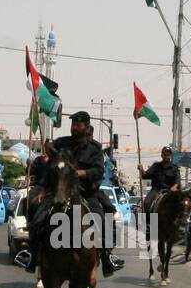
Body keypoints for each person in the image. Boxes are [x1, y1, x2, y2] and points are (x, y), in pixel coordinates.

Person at [23, 110, 122, 276]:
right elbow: (51, 157)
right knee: (37, 213)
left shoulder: (95, 149)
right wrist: (47, 155)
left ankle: (106, 256)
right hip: (60, 191)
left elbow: (98, 171)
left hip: (86, 193)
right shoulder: (62, 144)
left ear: (86, 127)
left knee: (106, 215)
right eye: (73, 125)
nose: (74, 128)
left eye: (78, 125)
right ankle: (32, 255)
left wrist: (80, 173)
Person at [139, 147, 181, 236]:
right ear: (162, 155)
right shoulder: (156, 166)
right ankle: (148, 225)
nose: (166, 156)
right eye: (165, 154)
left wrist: (174, 186)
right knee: (146, 202)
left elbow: (177, 181)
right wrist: (141, 169)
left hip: (169, 191)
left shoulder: (174, 168)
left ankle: (178, 224)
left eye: (168, 154)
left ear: (170, 155)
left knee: (180, 205)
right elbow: (145, 176)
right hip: (156, 190)